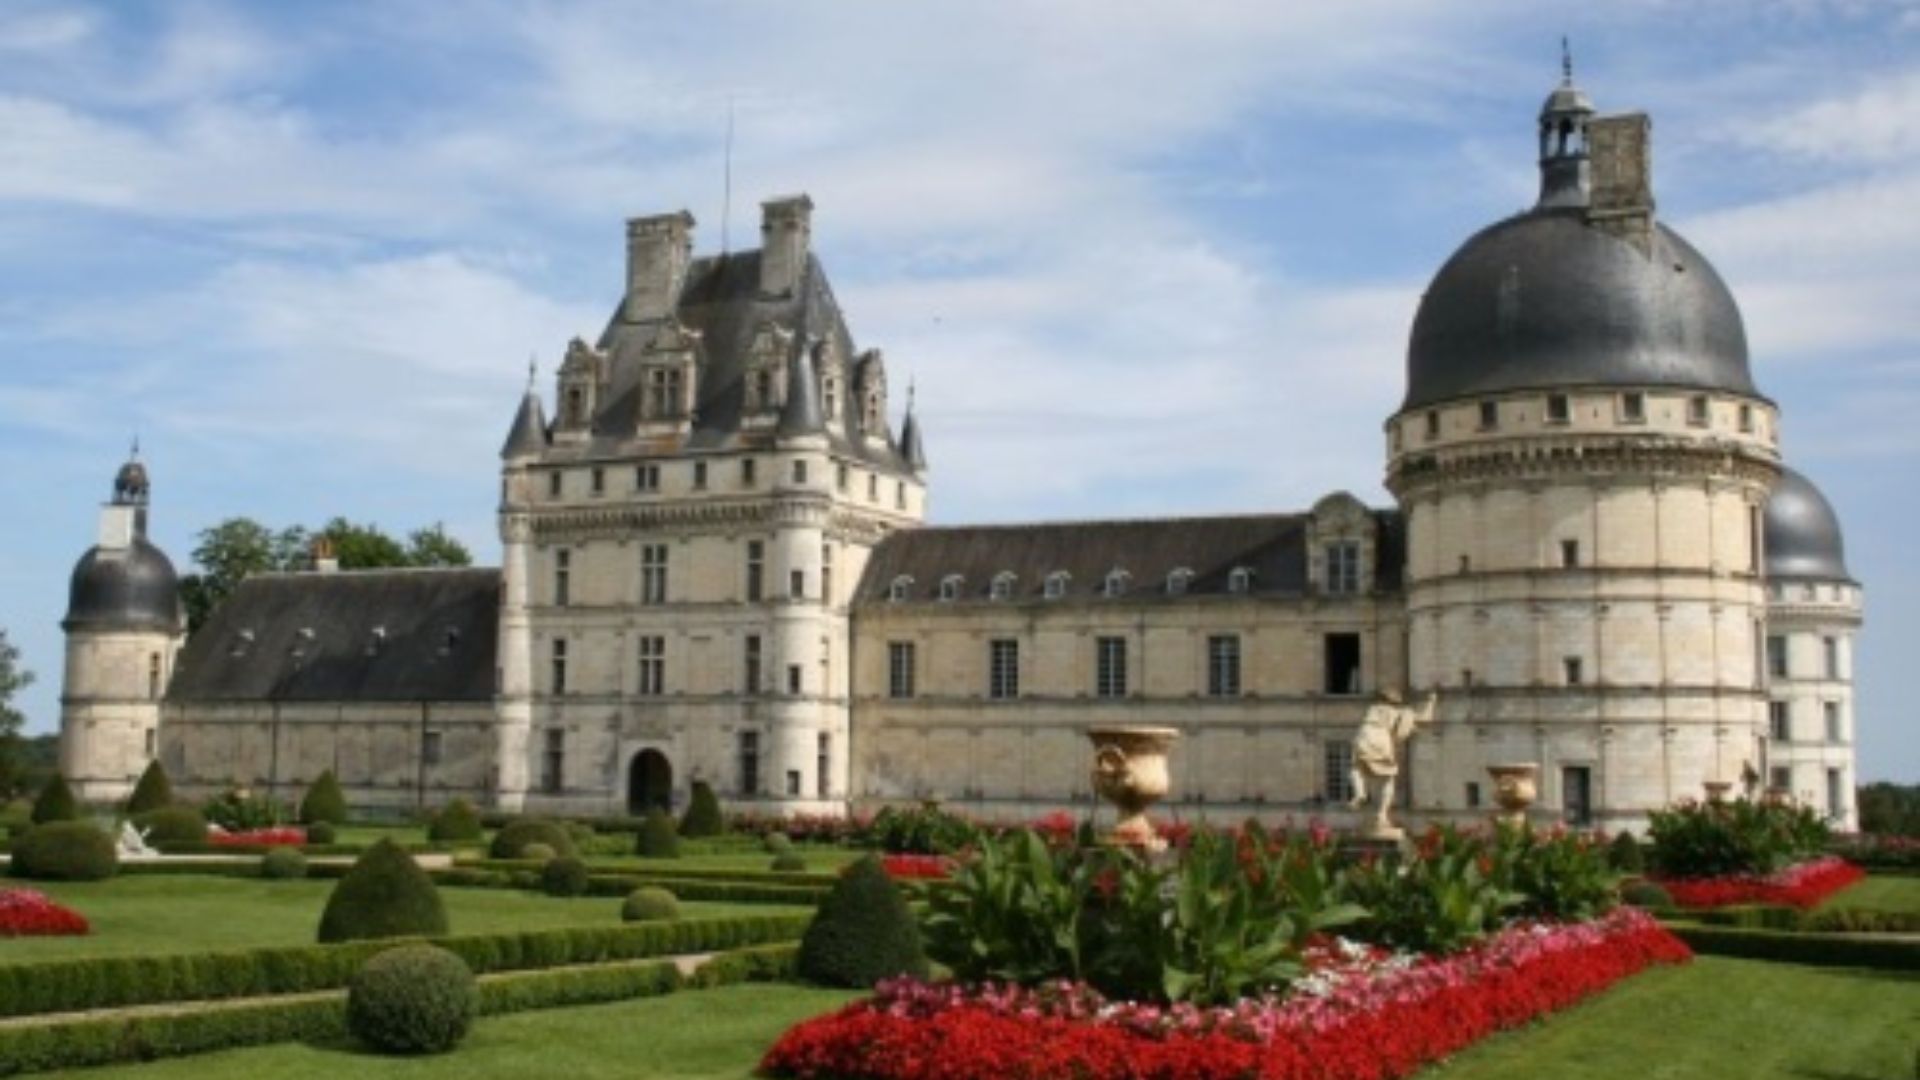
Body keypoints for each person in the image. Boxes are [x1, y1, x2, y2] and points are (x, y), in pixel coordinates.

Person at [1349, 687, 1438, 836]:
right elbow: (1425, 718)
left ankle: (1360, 792)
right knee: (1388, 780)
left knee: (1356, 768)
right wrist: (1432, 701)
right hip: (1381, 739)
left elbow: (1406, 729)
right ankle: (1381, 814)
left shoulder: (1372, 709)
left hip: (1364, 734)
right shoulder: (1401, 712)